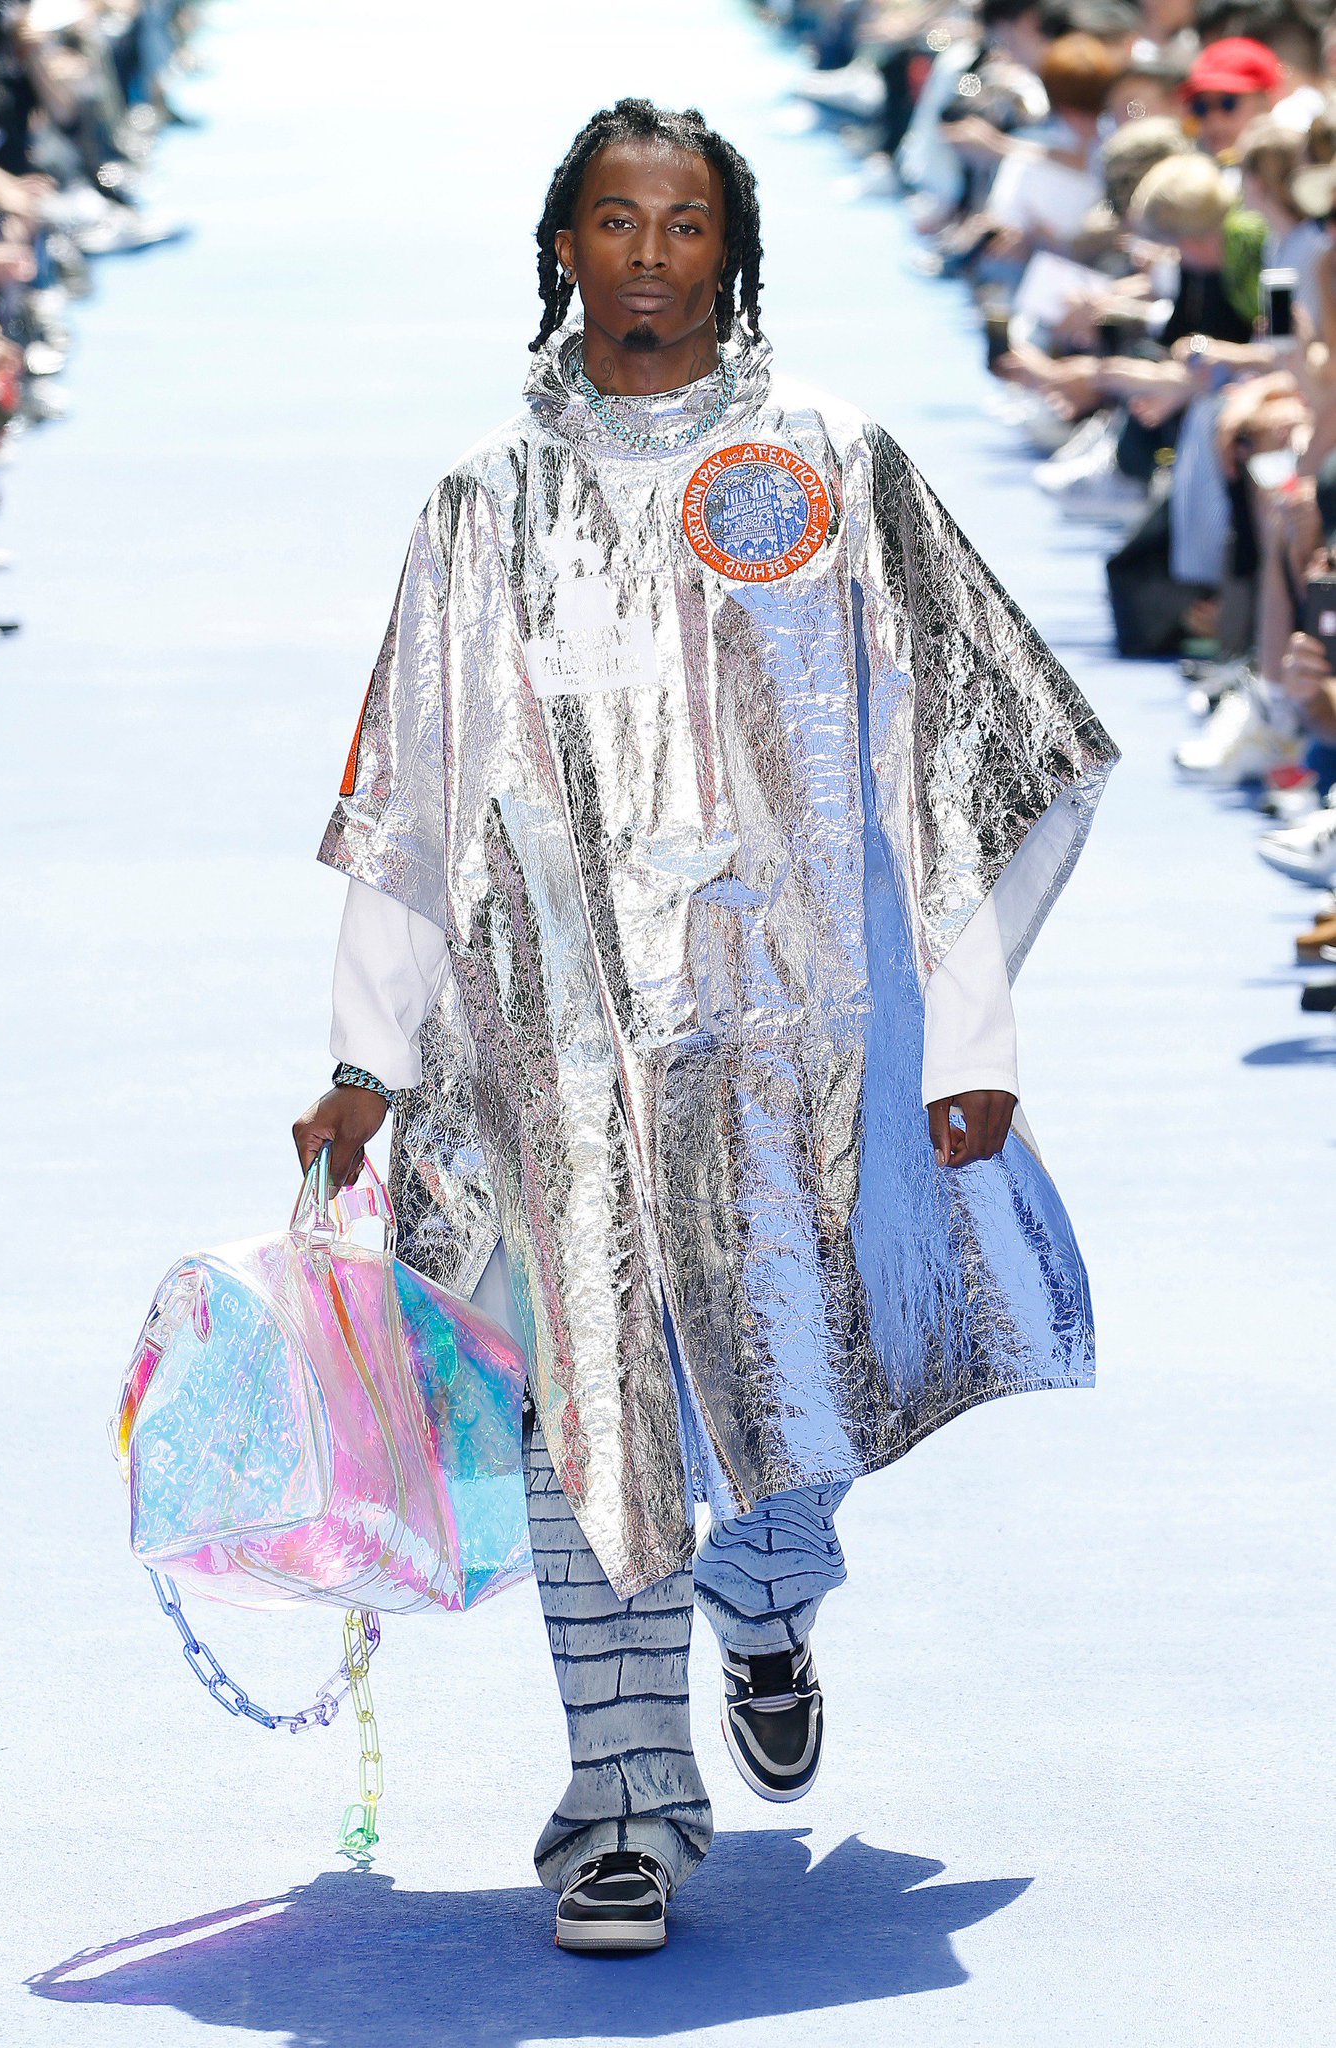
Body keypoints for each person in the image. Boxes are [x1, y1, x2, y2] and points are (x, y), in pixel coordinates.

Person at [293, 97, 1117, 1956]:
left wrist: (965, 1038)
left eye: (684, 223)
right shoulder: (479, 505)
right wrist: (367, 1056)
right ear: (559, 247)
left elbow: (965, 756)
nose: (648, 254)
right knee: (580, 1407)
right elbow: (409, 791)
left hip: (788, 1045)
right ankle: (623, 1804)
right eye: (612, 218)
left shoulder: (835, 464)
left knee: (772, 1403)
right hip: (548, 1044)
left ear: (731, 250)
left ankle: (767, 1599)